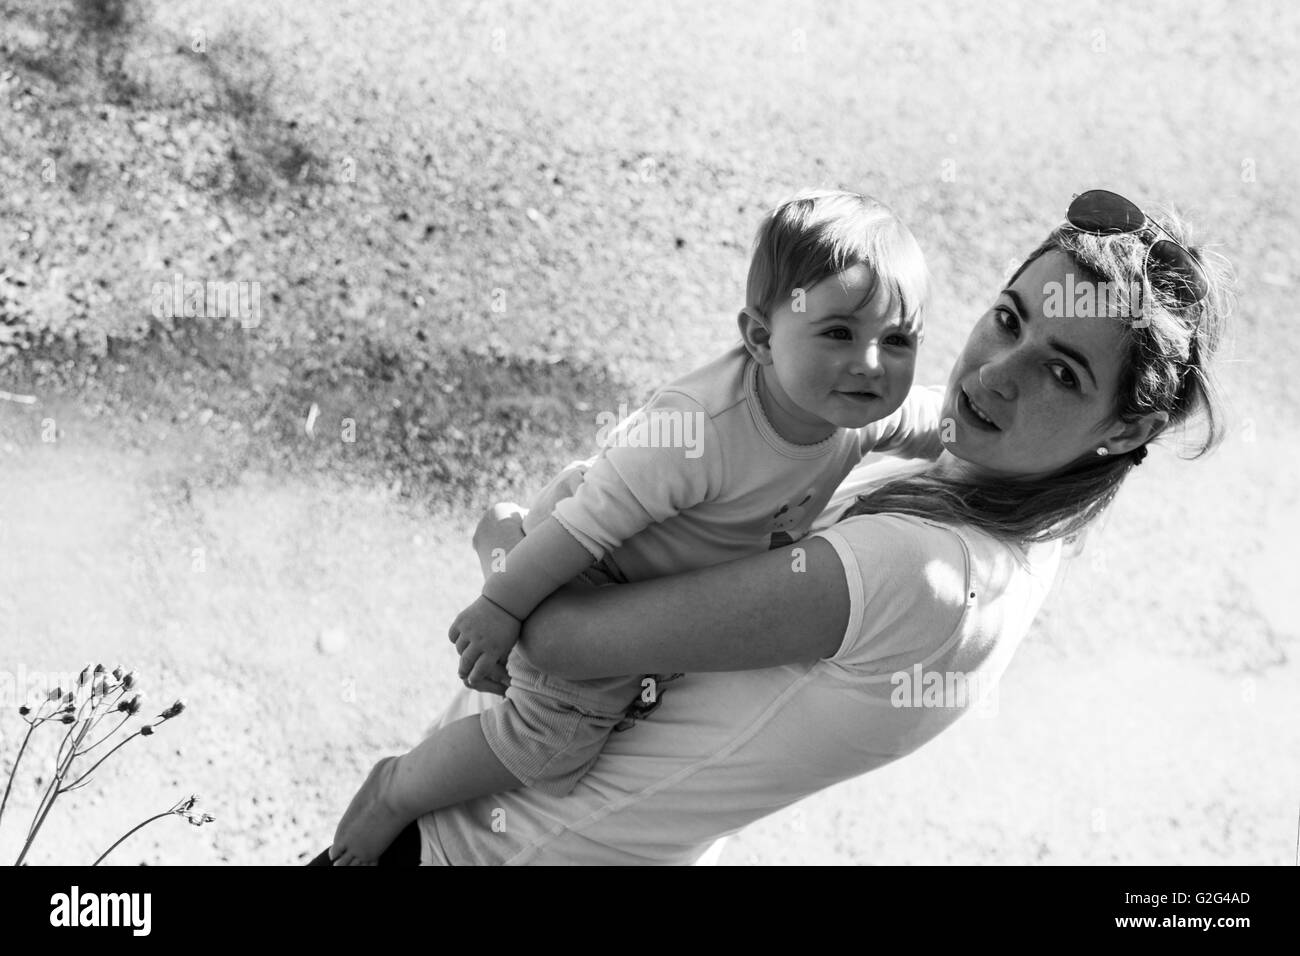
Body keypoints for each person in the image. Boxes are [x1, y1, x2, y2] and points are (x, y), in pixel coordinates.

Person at [307, 188, 1229, 865]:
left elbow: (559, 639)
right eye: (1006, 319)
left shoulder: (925, 573)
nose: (994, 375)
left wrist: (514, 558)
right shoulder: (1007, 497)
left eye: (1063, 374)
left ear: (1130, 429)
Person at [326, 188, 945, 864]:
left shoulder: (859, 407)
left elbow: (936, 421)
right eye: (839, 334)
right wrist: (500, 609)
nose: (872, 363)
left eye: (899, 339)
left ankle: (504, 536)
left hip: (632, 557)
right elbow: (583, 532)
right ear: (761, 338)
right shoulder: (698, 433)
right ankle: (396, 789)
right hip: (596, 561)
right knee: (551, 744)